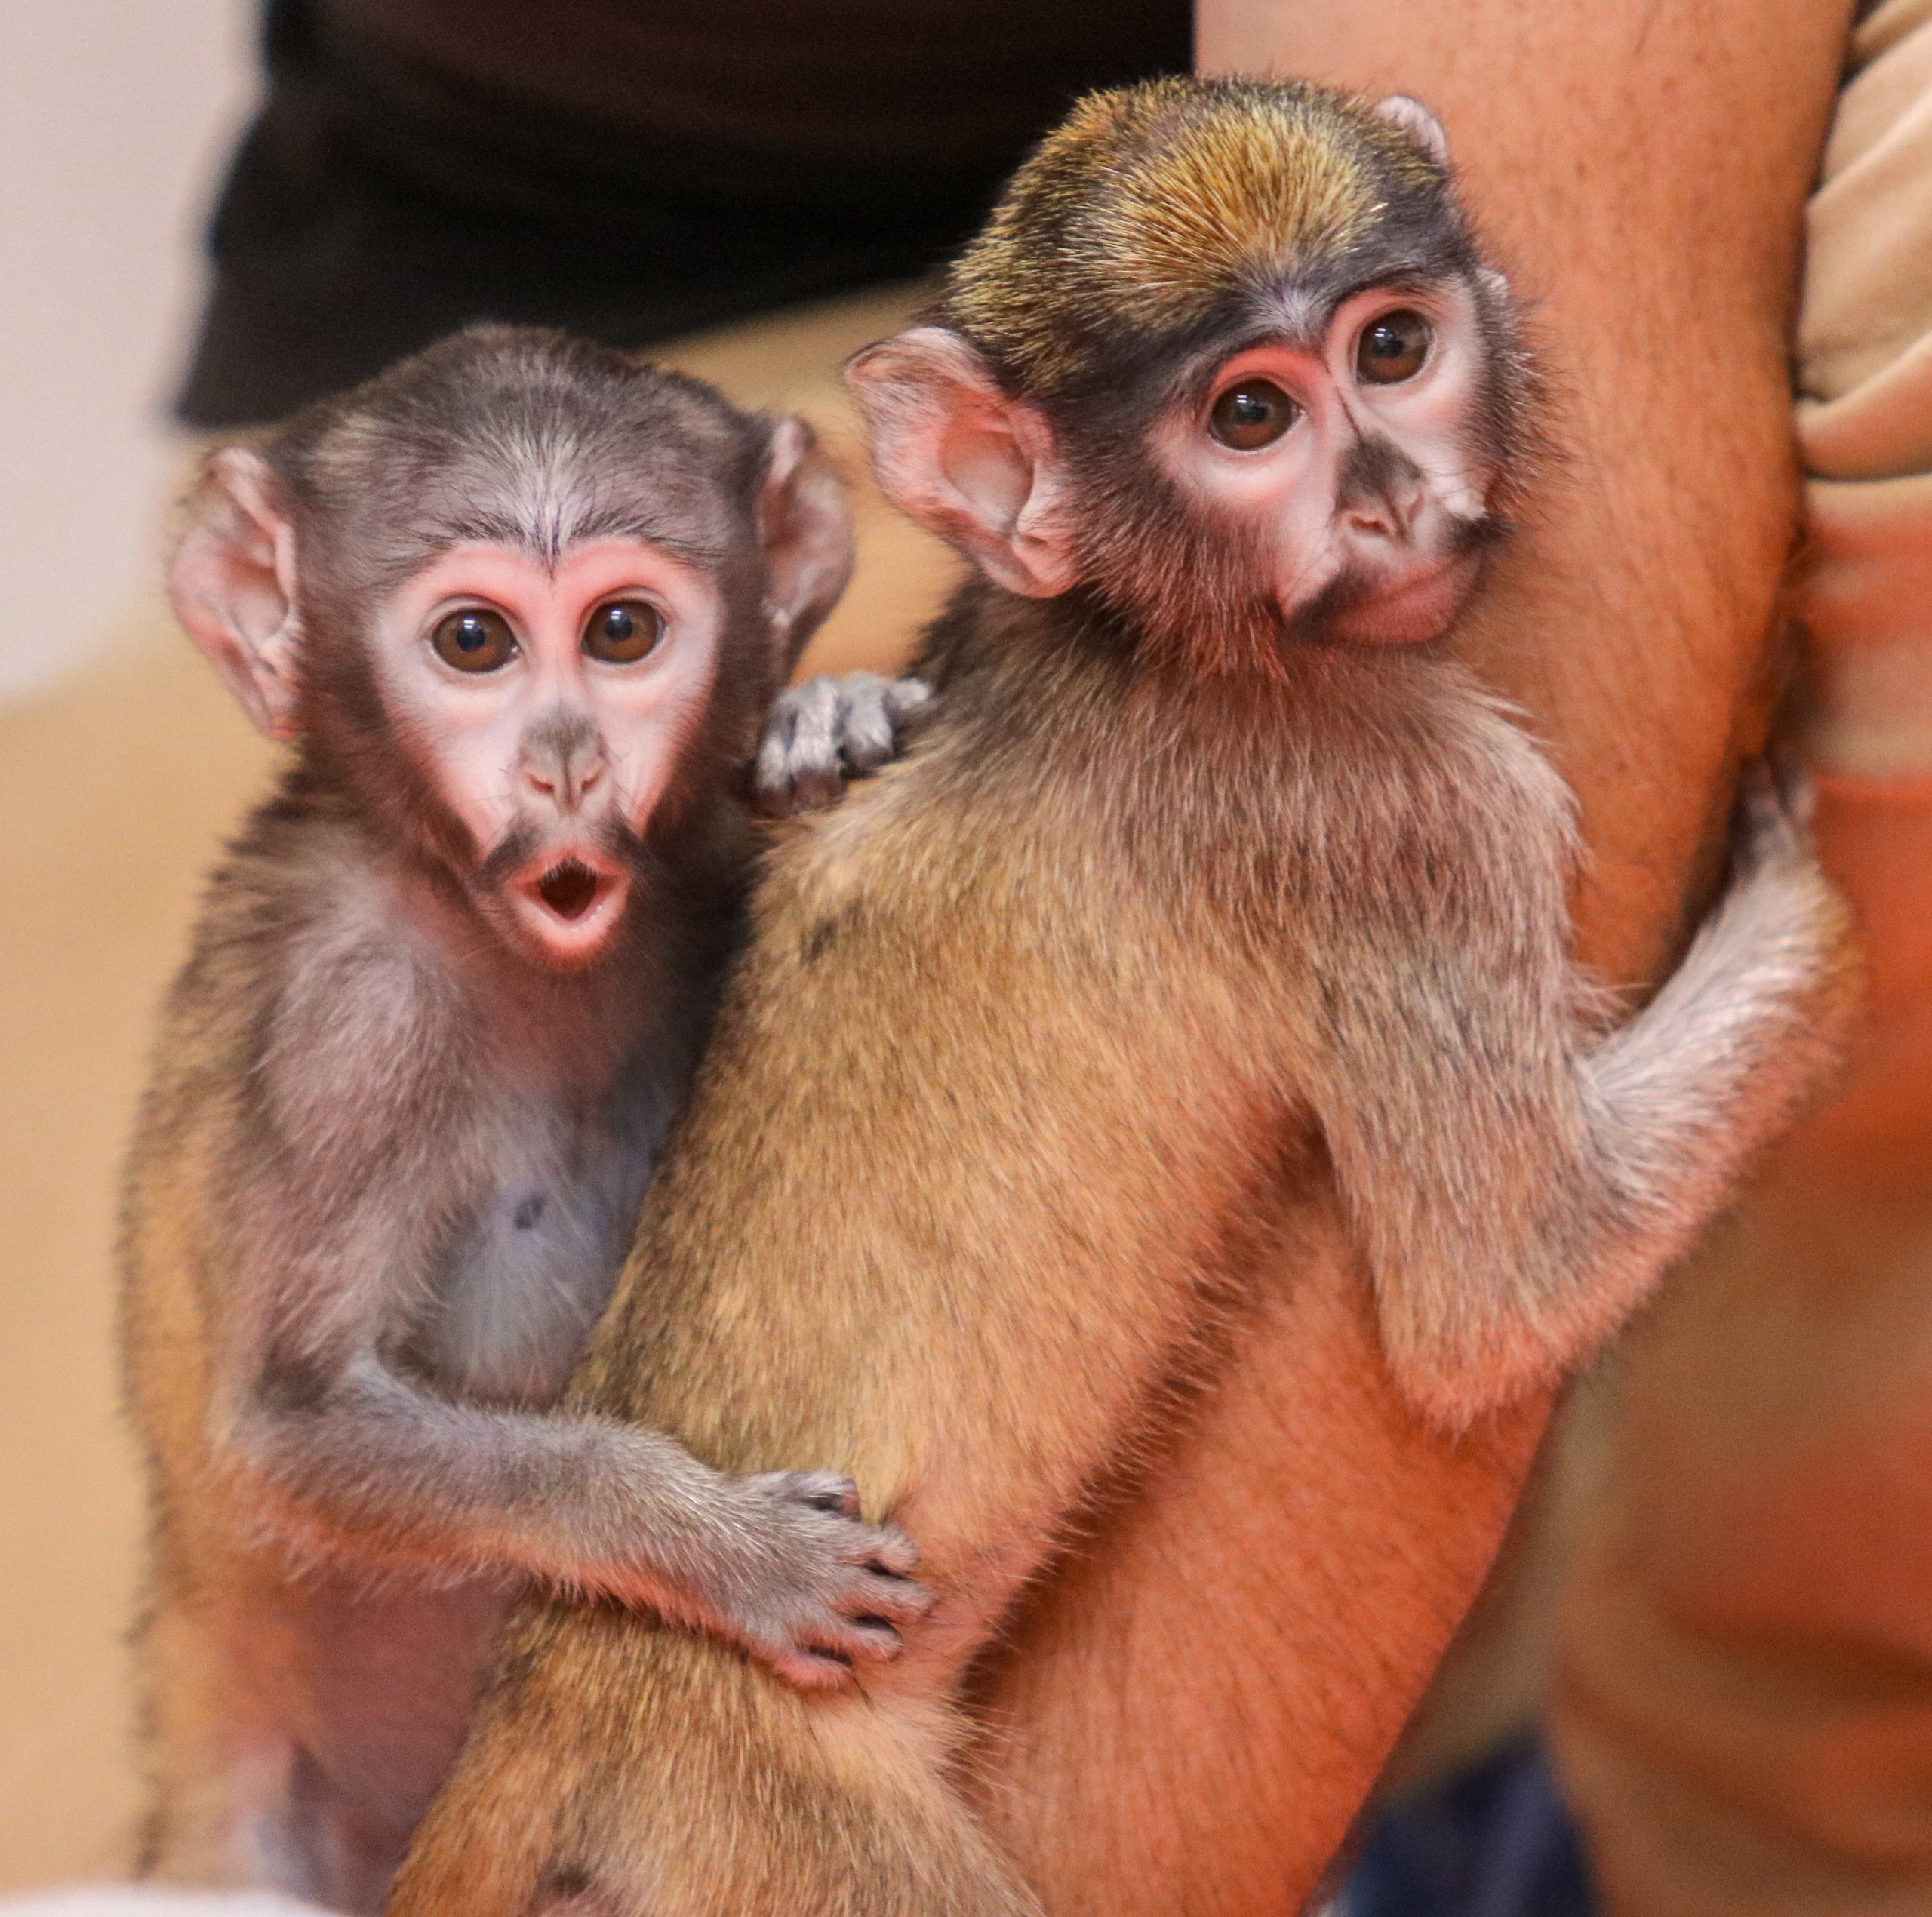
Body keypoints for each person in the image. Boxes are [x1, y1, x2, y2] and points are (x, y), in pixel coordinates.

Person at [176, 4, 1932, 1912]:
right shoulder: (1374, 787)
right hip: (785, 1744)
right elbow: (1496, 1287)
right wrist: (1788, 945)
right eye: (1251, 415)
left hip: (670, 1667)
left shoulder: (1017, 716)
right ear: (1006, 491)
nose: (1387, 492)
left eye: (1397, 353)